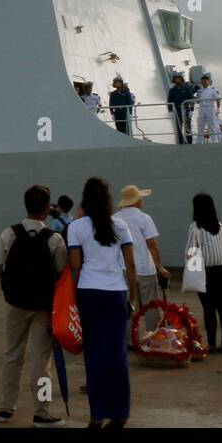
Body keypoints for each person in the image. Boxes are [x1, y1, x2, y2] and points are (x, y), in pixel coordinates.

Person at [67, 177, 138, 428]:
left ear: (84, 199)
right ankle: (120, 413)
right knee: (117, 354)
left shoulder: (76, 227)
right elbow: (130, 264)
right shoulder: (119, 225)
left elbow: (75, 265)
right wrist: (134, 298)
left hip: (89, 293)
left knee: (94, 355)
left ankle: (96, 415)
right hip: (116, 292)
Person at [0, 184, 66, 426]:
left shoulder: (9, 233)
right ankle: (41, 411)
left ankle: (6, 408)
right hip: (43, 306)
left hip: (15, 303)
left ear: (26, 205)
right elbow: (60, 271)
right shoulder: (54, 239)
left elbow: (2, 263)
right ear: (47, 209)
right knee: (41, 362)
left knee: (12, 355)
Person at [114, 185, 170, 332]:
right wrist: (160, 267)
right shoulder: (144, 218)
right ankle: (152, 337)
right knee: (150, 304)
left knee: (128, 302)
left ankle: (128, 339)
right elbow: (152, 244)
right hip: (145, 268)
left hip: (123, 268)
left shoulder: (114, 219)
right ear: (136, 200)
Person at [187, 193, 222, 353]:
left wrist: (192, 271)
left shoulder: (196, 227)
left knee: (208, 307)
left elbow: (192, 249)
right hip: (221, 270)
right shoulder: (220, 226)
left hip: (205, 271)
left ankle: (212, 344)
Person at [167, 72, 195, 143]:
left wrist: (191, 110)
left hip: (186, 111)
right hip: (177, 111)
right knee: (178, 127)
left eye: (179, 79)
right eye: (176, 79)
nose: (178, 80)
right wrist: (170, 111)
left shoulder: (187, 89)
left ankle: (189, 142)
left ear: (182, 80)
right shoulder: (172, 90)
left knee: (188, 127)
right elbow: (169, 101)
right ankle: (180, 142)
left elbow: (191, 100)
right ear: (174, 80)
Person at [195, 74, 222, 143]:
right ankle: (199, 142)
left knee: (212, 126)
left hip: (210, 108)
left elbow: (218, 99)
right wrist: (196, 96)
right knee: (200, 126)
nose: (204, 82)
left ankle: (214, 142)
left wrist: (218, 108)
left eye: (205, 81)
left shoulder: (213, 90)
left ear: (208, 81)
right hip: (201, 109)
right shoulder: (199, 91)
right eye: (203, 81)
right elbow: (197, 101)